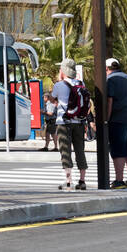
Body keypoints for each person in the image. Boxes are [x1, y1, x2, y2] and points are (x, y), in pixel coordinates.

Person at [52, 58, 89, 191]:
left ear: (63, 70)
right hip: (79, 122)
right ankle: (82, 181)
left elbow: (53, 98)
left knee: (65, 151)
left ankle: (68, 182)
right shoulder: (81, 83)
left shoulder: (59, 85)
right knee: (80, 150)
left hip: (64, 122)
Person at [105, 58, 127, 188]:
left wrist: (106, 119)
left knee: (118, 149)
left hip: (119, 117)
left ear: (107, 68)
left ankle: (119, 180)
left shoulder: (110, 80)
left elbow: (110, 101)